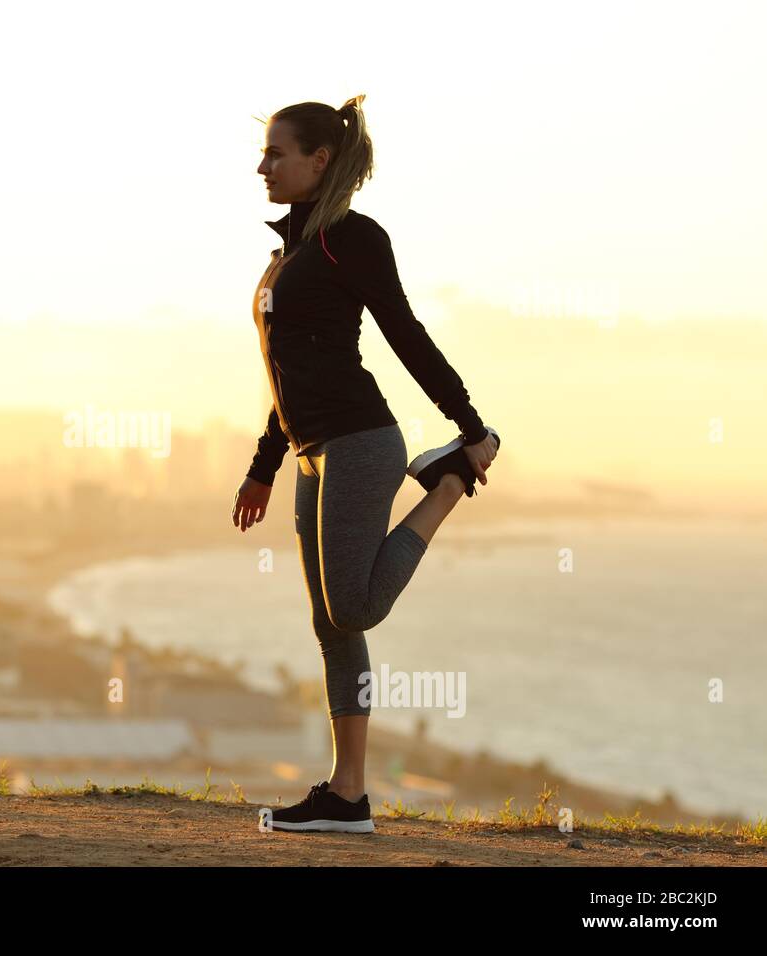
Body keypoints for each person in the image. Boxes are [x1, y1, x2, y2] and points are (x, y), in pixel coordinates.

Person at [233, 95, 501, 833]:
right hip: (311, 453)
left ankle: (445, 483)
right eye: (263, 154)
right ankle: (347, 796)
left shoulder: (351, 241)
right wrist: (265, 465)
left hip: (359, 441)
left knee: (354, 608)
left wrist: (468, 426)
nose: (263, 166)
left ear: (320, 161)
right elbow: (283, 374)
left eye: (277, 153)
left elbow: (405, 332)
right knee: (330, 624)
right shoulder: (285, 252)